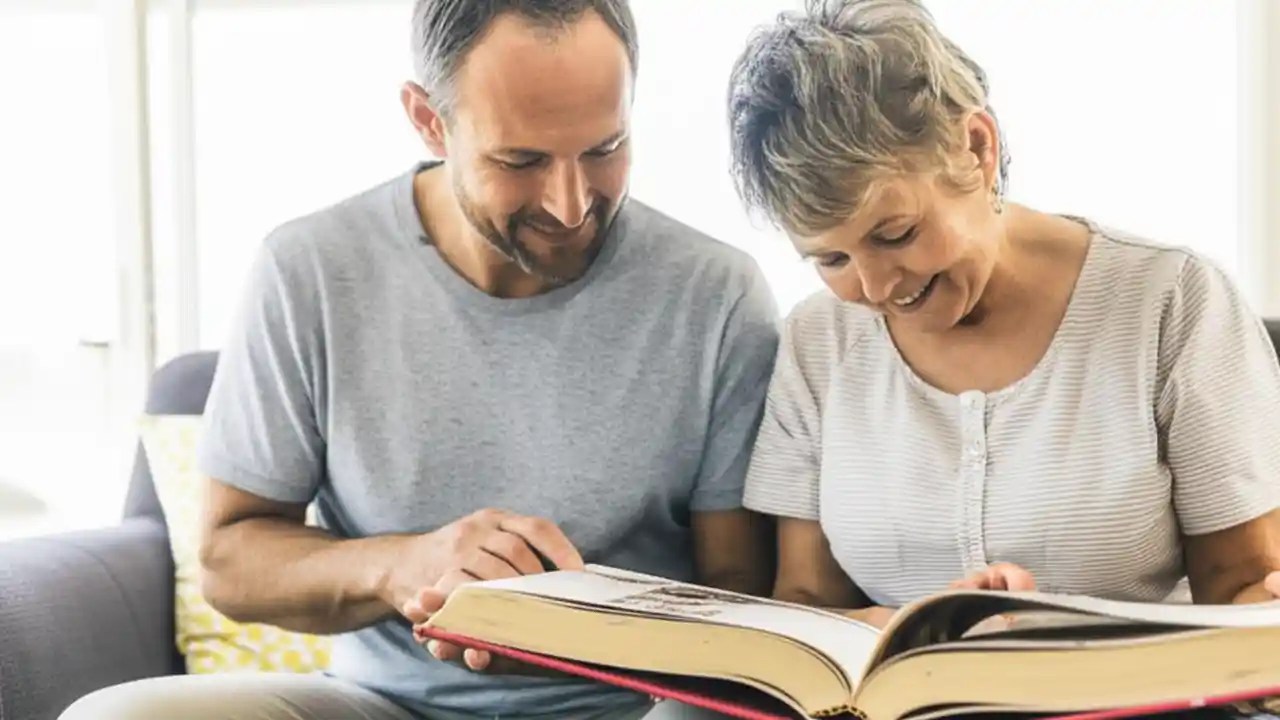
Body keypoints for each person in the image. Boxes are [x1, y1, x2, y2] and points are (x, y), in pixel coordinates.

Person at [60, 1, 778, 719]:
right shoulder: (308, 271)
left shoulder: (715, 293)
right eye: (520, 160)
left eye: (604, 148)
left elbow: (741, 584)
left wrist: (566, 636)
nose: (569, 205)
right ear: (429, 120)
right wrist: (400, 567)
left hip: (634, 708)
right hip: (382, 702)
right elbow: (228, 560)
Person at [726, 0, 1280, 628]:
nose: (874, 288)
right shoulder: (817, 341)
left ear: (976, 147)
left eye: (896, 234)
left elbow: (1241, 597)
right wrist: (912, 629)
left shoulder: (1171, 304)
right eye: (830, 258)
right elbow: (805, 604)